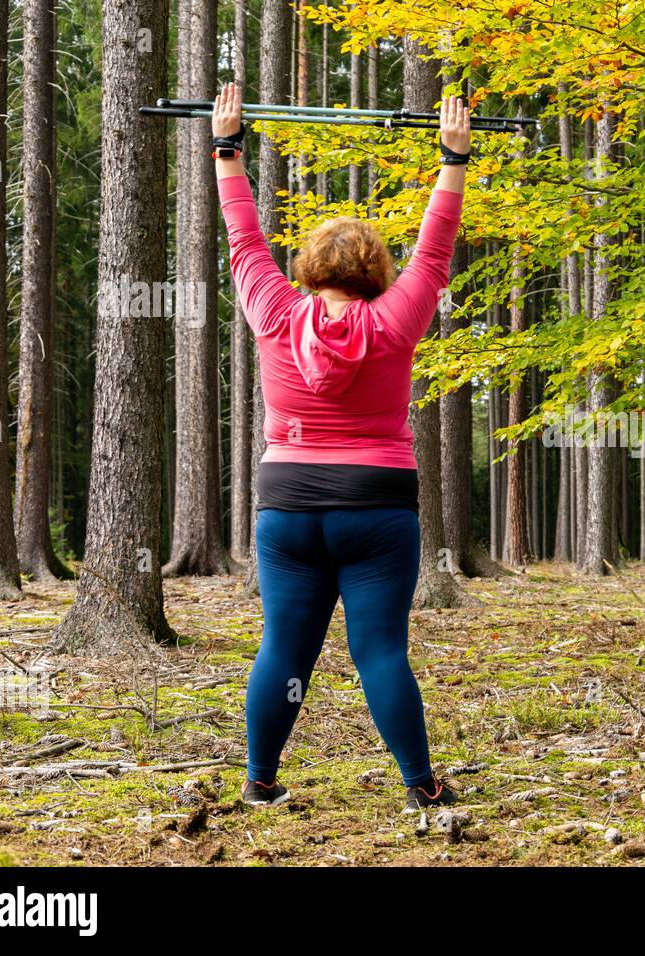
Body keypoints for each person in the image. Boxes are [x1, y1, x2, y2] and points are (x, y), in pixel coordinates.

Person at [210, 81, 469, 812]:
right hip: (376, 505)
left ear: (310, 270)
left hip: (289, 506)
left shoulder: (273, 308)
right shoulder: (396, 319)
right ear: (374, 273)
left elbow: (243, 236)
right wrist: (453, 157)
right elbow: (437, 246)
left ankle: (260, 781)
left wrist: (228, 147)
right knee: (380, 650)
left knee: (284, 650)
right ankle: (420, 785)